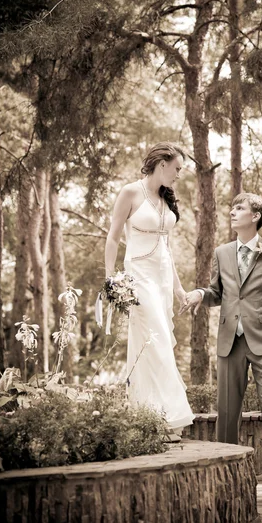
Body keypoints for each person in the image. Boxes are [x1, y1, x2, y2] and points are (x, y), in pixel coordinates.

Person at [180, 192, 262, 505]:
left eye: (240, 208)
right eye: (232, 207)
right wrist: (201, 294)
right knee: (227, 415)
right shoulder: (222, 252)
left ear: (256, 216)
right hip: (230, 342)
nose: (232, 212)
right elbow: (219, 292)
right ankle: (224, 484)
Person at [105, 142, 194, 440]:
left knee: (153, 346)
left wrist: (180, 290)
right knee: (156, 340)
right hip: (138, 278)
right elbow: (114, 237)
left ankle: (148, 418)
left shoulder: (165, 198)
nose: (179, 175)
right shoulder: (131, 192)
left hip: (162, 279)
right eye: (177, 168)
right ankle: (172, 417)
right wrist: (111, 280)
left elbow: (166, 249)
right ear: (162, 163)